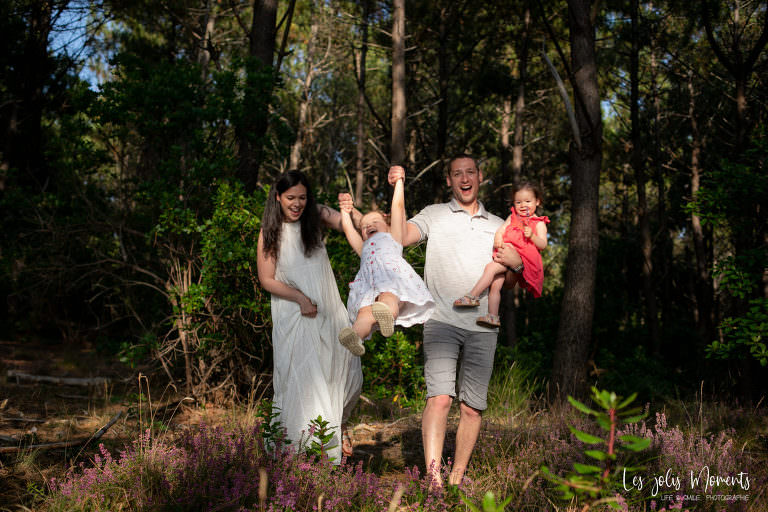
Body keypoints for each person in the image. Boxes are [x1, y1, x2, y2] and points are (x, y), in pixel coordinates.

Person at [390, 155, 523, 487]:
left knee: (472, 408)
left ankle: (456, 480)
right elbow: (399, 237)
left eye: (470, 172)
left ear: (480, 177)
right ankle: (434, 481)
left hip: (483, 327)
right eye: (456, 174)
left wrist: (517, 265)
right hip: (441, 322)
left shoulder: (499, 225)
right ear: (448, 180)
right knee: (439, 398)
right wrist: (399, 189)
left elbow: (507, 283)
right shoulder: (434, 214)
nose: (464, 179)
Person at [256, 170, 363, 461]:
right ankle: (304, 455)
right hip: (294, 313)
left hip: (329, 307)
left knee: (348, 369)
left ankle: (335, 429)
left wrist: (349, 209)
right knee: (304, 379)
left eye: (302, 197)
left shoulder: (314, 215)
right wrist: (300, 297)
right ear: (277, 197)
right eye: (291, 198)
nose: (297, 203)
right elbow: (267, 279)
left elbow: (349, 224)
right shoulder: (270, 231)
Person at [336, 167, 435, 356]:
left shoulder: (393, 237)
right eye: (364, 226)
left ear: (388, 226)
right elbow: (349, 230)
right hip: (368, 285)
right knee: (363, 314)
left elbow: (397, 208)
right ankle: (355, 337)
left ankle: (387, 317)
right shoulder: (364, 247)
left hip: (391, 277)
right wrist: (344, 210)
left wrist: (399, 183)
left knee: (389, 299)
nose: (368, 226)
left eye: (374, 222)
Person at [453, 183, 549, 327]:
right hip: (504, 254)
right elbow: (502, 229)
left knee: (490, 269)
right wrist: (498, 237)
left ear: (537, 201)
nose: (523, 205)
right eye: (518, 202)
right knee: (495, 286)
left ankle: (473, 296)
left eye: (528, 201)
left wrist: (533, 237)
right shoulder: (513, 217)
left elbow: (543, 244)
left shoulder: (539, 223)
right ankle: (493, 316)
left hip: (523, 257)